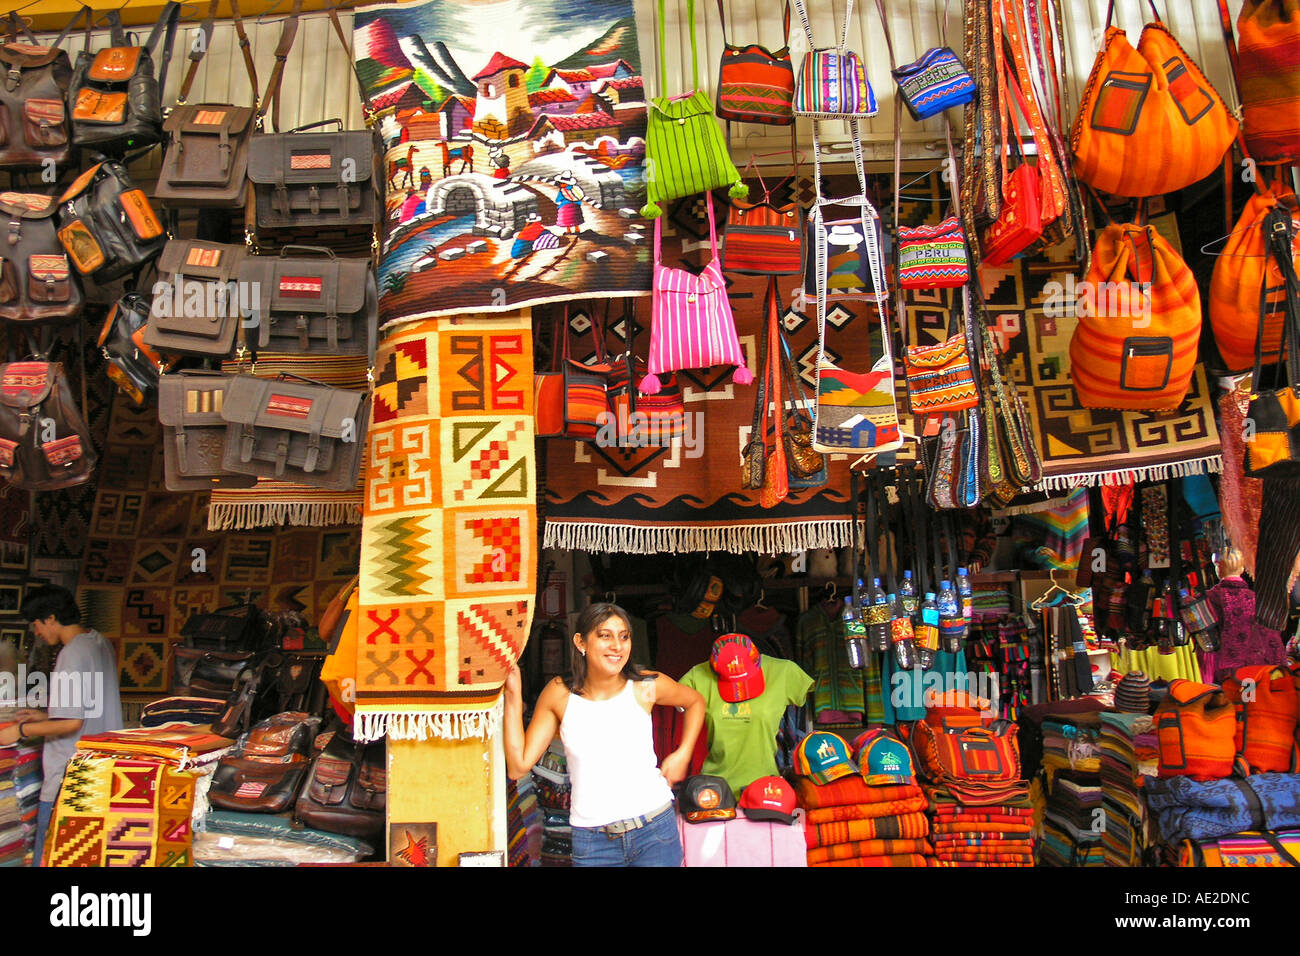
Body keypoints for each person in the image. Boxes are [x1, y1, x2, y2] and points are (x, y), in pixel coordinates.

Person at [504, 602, 704, 867]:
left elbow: (695, 702)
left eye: (624, 636)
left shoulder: (644, 686)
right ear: (580, 642)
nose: (617, 646)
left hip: (654, 831)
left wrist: (683, 753)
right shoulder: (560, 694)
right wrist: (513, 696)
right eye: (605, 636)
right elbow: (518, 767)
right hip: (593, 843)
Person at [0, 585, 123, 866]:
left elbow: (70, 723)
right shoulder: (98, 642)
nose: (37, 633)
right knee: (84, 851)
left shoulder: (71, 655)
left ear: (50, 618)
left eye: (36, 625)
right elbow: (90, 708)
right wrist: (43, 717)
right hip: (100, 766)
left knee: (50, 850)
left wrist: (18, 731)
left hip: (68, 773)